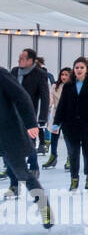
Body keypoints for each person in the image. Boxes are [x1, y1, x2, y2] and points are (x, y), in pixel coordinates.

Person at [0, 65, 53, 228]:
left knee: (22, 173)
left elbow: (21, 97)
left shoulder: (1, 74)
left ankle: (44, 206)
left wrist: (31, 123)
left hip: (7, 133)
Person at [52, 57, 88, 190]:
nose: (79, 70)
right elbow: (62, 106)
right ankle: (74, 179)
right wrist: (56, 123)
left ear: (87, 69)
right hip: (70, 125)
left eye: (82, 67)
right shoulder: (68, 86)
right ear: (73, 70)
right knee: (73, 153)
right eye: (77, 68)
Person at [8, 48, 48, 179]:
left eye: (22, 58)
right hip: (12, 113)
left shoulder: (40, 74)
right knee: (11, 141)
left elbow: (45, 97)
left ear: (31, 60)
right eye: (19, 57)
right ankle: (11, 167)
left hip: (29, 114)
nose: (19, 60)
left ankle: (33, 165)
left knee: (29, 141)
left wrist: (42, 118)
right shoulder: (14, 71)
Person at [43, 67, 72, 170]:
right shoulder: (55, 86)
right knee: (54, 136)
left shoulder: (73, 86)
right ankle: (53, 157)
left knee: (68, 138)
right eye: (62, 74)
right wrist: (46, 107)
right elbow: (50, 99)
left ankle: (70, 158)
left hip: (69, 116)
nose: (63, 77)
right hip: (56, 115)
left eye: (66, 75)